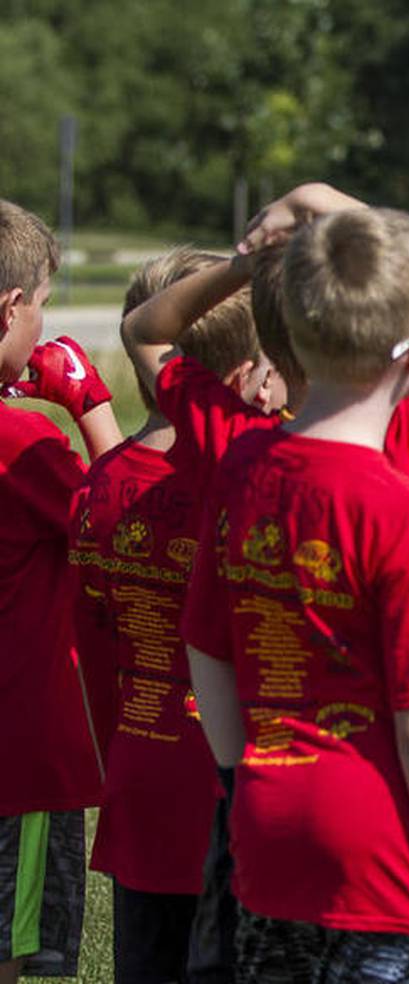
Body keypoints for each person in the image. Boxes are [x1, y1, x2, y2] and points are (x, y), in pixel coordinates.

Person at [119, 182, 409, 981]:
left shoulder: (239, 461)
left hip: (261, 818)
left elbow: (205, 648)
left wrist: (231, 783)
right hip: (381, 848)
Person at [71, 247, 277, 984]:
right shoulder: (250, 475)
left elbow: (93, 655)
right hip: (241, 788)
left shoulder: (99, 483)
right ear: (242, 371)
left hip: (138, 776)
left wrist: (110, 766)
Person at [0, 198, 122, 982]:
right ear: (10, 308)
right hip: (20, 758)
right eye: (41, 306)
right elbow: (121, 529)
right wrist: (90, 403)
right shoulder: (27, 443)